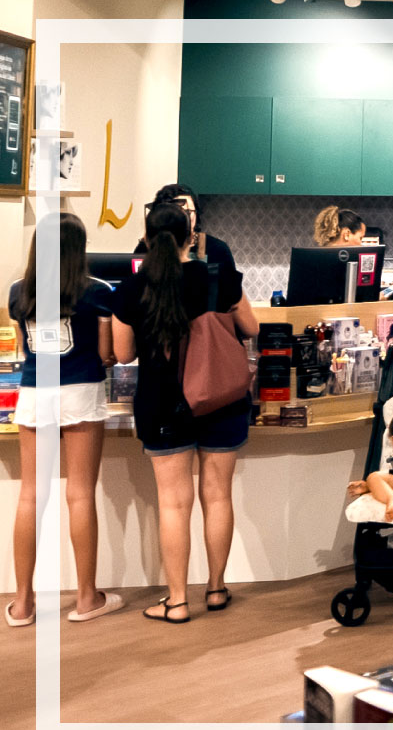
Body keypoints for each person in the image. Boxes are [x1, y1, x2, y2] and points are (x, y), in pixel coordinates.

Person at [111, 202, 259, 624]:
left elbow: (123, 353)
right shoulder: (219, 276)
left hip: (163, 403)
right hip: (221, 397)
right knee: (217, 496)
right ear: (190, 236)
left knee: (174, 505)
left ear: (146, 237)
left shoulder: (131, 288)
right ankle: (215, 588)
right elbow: (252, 328)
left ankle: (176, 601)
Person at [7, 213, 123, 627]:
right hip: (82, 391)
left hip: (35, 394)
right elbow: (108, 355)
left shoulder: (19, 293)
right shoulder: (99, 292)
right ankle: (86, 598)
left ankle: (22, 604)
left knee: (30, 497)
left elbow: (24, 350)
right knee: (80, 495)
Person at [136, 184, 237, 272]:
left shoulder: (217, 249)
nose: (183, 218)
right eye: (178, 212)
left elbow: (232, 292)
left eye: (188, 212)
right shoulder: (145, 248)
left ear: (196, 214)